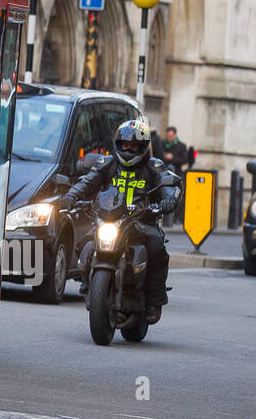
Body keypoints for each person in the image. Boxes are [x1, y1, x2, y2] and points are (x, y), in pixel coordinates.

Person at [61, 118, 178, 323]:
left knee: (157, 249)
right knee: (85, 244)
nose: (129, 149)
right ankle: (89, 284)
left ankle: (154, 300)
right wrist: (71, 196)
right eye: (125, 144)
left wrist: (168, 200)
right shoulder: (107, 163)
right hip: (110, 220)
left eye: (134, 145)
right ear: (118, 144)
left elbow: (170, 185)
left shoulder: (154, 166)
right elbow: (87, 182)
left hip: (142, 222)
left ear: (142, 147)